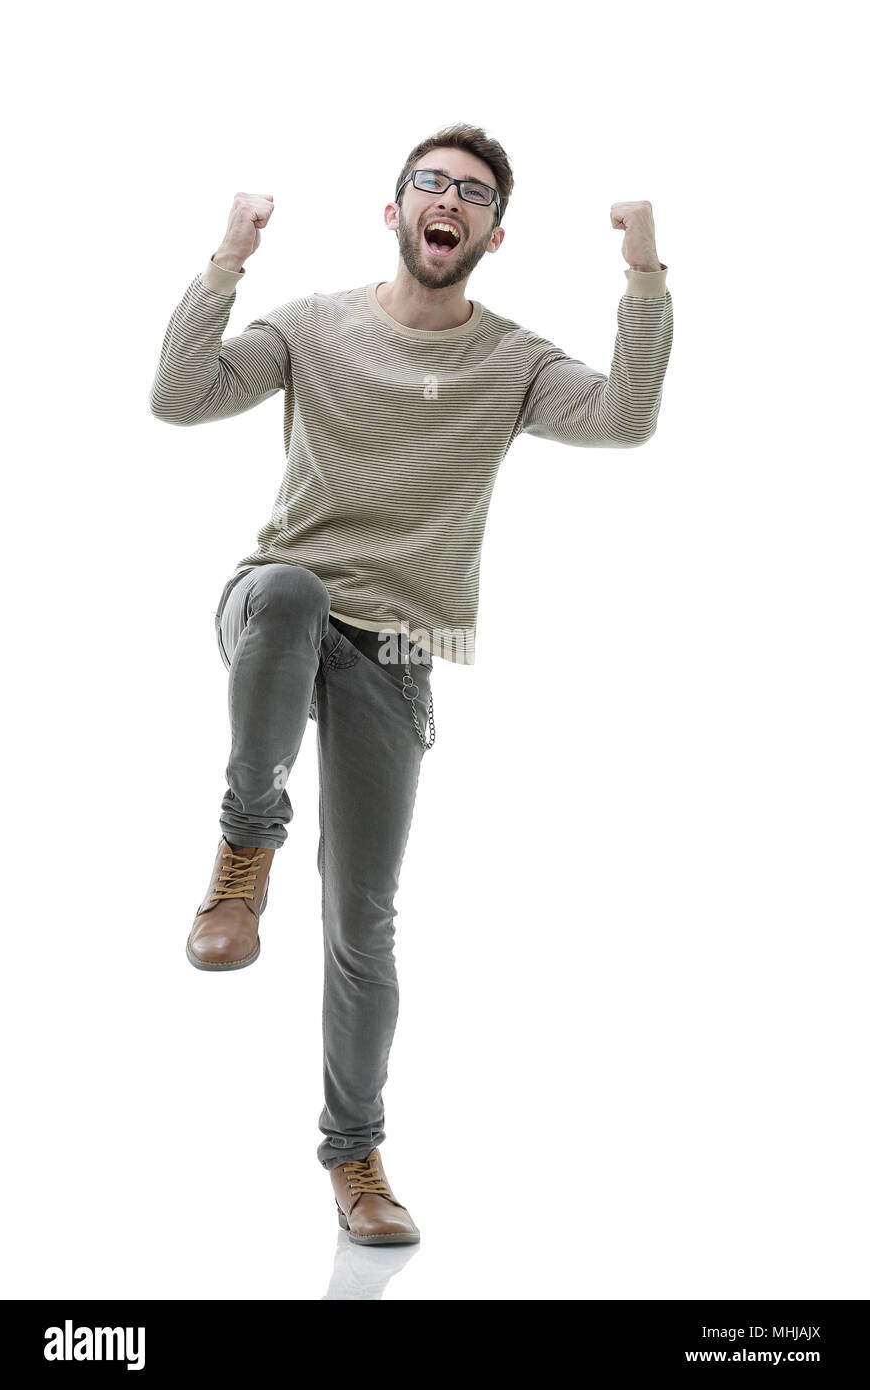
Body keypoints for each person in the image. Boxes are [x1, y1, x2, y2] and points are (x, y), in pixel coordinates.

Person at [149, 122, 674, 1246]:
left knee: (366, 923)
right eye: (430, 184)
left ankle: (357, 1158)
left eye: (473, 193)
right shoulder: (312, 323)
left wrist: (642, 274)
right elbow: (178, 397)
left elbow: (625, 418)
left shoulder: (514, 361)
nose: (451, 201)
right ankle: (244, 855)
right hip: (276, 609)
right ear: (395, 213)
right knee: (289, 591)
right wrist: (227, 260)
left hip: (393, 648)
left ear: (493, 232)